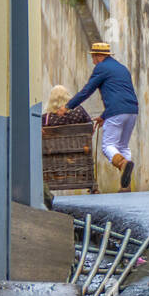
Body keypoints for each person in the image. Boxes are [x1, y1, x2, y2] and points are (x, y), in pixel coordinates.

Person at [61, 42, 140, 191]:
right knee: (123, 146)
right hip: (132, 111)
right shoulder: (122, 68)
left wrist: (67, 106)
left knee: (108, 146)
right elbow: (120, 94)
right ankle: (126, 186)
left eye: (93, 57)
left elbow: (87, 90)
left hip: (116, 112)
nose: (93, 60)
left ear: (98, 56)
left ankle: (123, 164)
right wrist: (104, 116)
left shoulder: (101, 67)